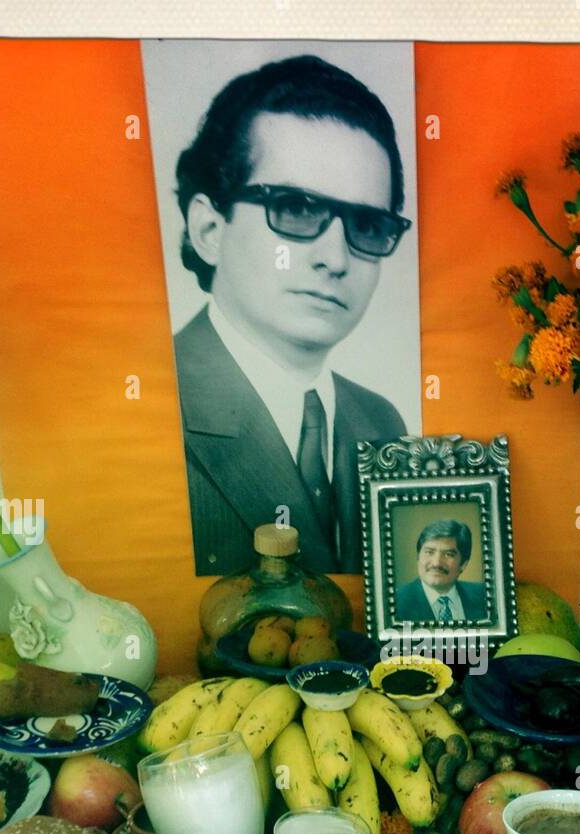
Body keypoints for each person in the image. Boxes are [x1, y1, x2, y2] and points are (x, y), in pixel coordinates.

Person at [171, 55, 410, 576]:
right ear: (210, 230)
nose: (336, 257)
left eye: (367, 224)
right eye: (297, 208)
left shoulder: (382, 422)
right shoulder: (154, 404)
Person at [394, 519, 487, 623]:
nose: (436, 563)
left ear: (463, 564)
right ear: (418, 558)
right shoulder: (395, 604)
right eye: (429, 552)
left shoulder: (485, 596)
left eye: (448, 554)